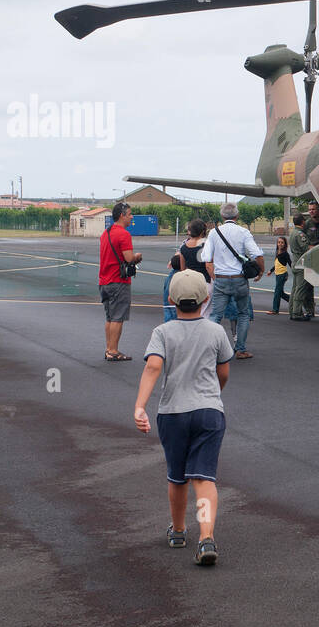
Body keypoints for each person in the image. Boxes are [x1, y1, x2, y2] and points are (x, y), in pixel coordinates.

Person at [133, 270, 233, 566]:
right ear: (206, 298)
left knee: (177, 477)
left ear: (170, 299)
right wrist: (214, 395)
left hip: (173, 413)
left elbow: (153, 367)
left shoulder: (162, 333)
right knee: (203, 477)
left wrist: (140, 406)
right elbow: (223, 371)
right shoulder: (216, 331)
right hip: (208, 412)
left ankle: (178, 531)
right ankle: (206, 538)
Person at [200, 203, 264, 360]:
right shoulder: (243, 232)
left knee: (216, 315)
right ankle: (240, 349)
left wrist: (216, 276)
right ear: (237, 215)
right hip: (239, 279)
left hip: (221, 279)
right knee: (243, 313)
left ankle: (211, 349)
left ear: (222, 216)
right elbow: (257, 255)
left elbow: (206, 258)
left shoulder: (214, 233)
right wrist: (260, 271)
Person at [99, 201, 143, 361]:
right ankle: (113, 351)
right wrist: (137, 257)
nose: (131, 217)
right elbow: (129, 258)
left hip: (104, 281)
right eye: (130, 214)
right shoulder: (123, 234)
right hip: (118, 281)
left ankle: (109, 348)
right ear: (122, 215)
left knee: (110, 317)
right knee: (118, 317)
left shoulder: (106, 233)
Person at [177, 218, 211, 315]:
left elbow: (182, 269)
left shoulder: (184, 247)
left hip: (190, 282)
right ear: (202, 232)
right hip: (205, 281)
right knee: (207, 312)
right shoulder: (206, 245)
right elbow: (209, 265)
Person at [288, 213, 313, 320]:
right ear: (302, 222)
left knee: (295, 289)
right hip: (301, 265)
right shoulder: (300, 234)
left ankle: (292, 310)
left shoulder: (293, 233)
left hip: (295, 263)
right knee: (300, 290)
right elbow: (306, 248)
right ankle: (297, 313)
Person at [270, 235, 291, 314]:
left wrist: (295, 271)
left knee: (277, 293)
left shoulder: (285, 254)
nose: (280, 244)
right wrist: (271, 270)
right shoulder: (278, 252)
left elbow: (290, 263)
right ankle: (294, 302)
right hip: (278, 274)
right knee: (280, 293)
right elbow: (277, 264)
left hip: (282, 275)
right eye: (279, 242)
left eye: (282, 242)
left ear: (285, 244)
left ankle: (275, 310)